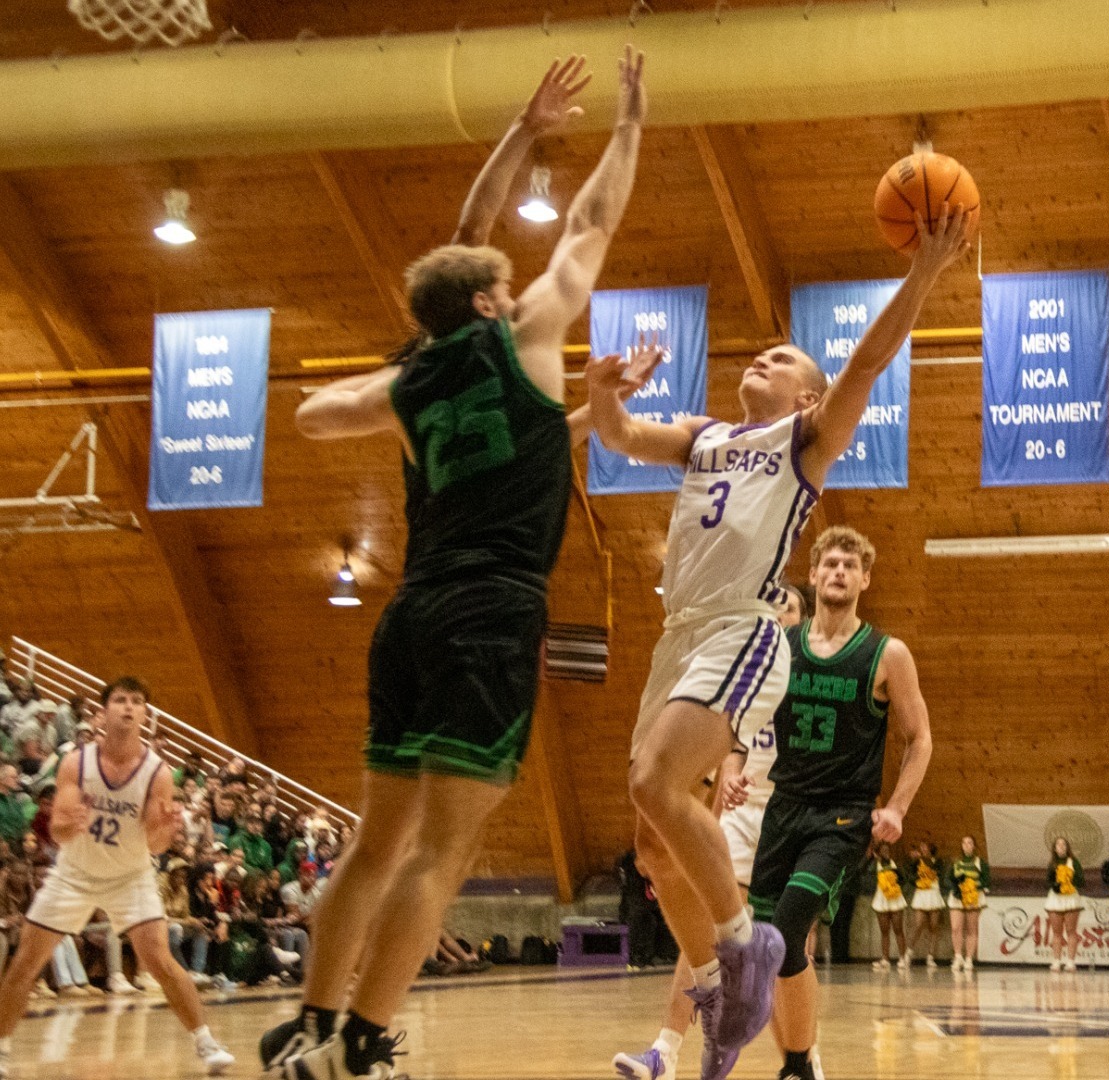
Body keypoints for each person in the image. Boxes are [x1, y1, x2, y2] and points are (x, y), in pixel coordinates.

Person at [260, 52, 645, 1080]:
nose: (518, 282)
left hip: (412, 612)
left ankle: (314, 1024)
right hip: (489, 606)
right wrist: (633, 121)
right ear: (487, 305)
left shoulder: (405, 384)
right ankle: (369, 1042)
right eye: (503, 284)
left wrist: (521, 135)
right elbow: (591, 226)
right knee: (444, 851)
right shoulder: (522, 327)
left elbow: (309, 413)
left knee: (377, 844)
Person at [587, 192, 969, 1078]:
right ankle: (719, 997)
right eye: (757, 353)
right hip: (676, 634)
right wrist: (603, 398)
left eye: (782, 357)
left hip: (742, 628)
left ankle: (740, 953)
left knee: (653, 779)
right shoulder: (705, 435)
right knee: (650, 835)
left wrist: (923, 273)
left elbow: (868, 365)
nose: (761, 356)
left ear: (806, 393)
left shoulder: (801, 441)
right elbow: (621, 437)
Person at [732, 527, 932, 1080]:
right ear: (814, 574)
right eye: (831, 563)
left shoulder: (887, 654)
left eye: (851, 565)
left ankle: (797, 1063)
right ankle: (803, 1060)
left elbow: (920, 739)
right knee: (771, 940)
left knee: (793, 922)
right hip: (784, 806)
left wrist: (896, 808)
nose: (840, 571)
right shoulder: (782, 648)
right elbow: (737, 716)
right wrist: (728, 769)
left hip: (842, 816)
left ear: (865, 579)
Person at [613, 585, 807, 1080]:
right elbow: (730, 741)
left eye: (790, 607)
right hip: (745, 809)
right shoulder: (743, 664)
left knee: (791, 942)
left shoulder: (805, 669)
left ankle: (802, 1061)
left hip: (794, 811)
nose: (780, 611)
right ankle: (666, 1049)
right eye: (776, 602)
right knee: (716, 932)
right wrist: (730, 773)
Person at [0, 678, 234, 1076]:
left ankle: (206, 1042)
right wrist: (68, 824)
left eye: (137, 701)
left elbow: (157, 846)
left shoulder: (158, 772)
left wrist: (165, 827)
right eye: (120, 700)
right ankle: (1, 1047)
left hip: (129, 875)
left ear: (145, 714)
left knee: (160, 960)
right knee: (26, 962)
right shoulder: (77, 761)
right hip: (74, 874)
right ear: (103, 712)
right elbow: (56, 830)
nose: (128, 707)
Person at [946, 836, 989, 972]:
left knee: (971, 929)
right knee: (956, 928)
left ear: (974, 846)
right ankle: (958, 956)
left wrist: (973, 886)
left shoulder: (980, 862)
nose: (967, 845)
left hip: (973, 898)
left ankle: (969, 958)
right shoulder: (956, 862)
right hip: (958, 898)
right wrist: (957, 888)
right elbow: (948, 879)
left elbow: (986, 881)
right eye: (964, 843)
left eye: (970, 843)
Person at [904, 841, 946, 969]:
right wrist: (917, 879)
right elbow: (910, 875)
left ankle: (930, 956)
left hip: (933, 893)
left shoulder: (937, 861)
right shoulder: (917, 861)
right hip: (921, 893)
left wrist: (922, 858)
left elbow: (936, 871)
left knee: (934, 926)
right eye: (920, 847)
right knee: (918, 924)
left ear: (930, 848)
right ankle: (907, 954)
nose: (921, 849)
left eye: (924, 847)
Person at [1045, 837, 1084, 972]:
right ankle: (1056, 960)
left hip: (1071, 899)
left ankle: (1071, 961)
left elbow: (1081, 881)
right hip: (1055, 899)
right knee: (1056, 932)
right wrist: (1055, 884)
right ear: (1054, 849)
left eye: (1063, 844)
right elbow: (1047, 882)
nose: (1061, 847)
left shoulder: (1073, 862)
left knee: (1071, 931)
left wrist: (1070, 878)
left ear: (1067, 847)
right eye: (1058, 845)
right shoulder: (1052, 863)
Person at [868, 843, 907, 970]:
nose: (886, 852)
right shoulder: (875, 865)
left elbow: (903, 879)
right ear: (879, 852)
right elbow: (862, 871)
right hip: (881, 899)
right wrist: (872, 858)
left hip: (895, 898)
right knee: (884, 931)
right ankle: (885, 959)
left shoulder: (895, 863)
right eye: (883, 850)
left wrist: (895, 885)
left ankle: (903, 958)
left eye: (887, 849)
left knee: (898, 929)